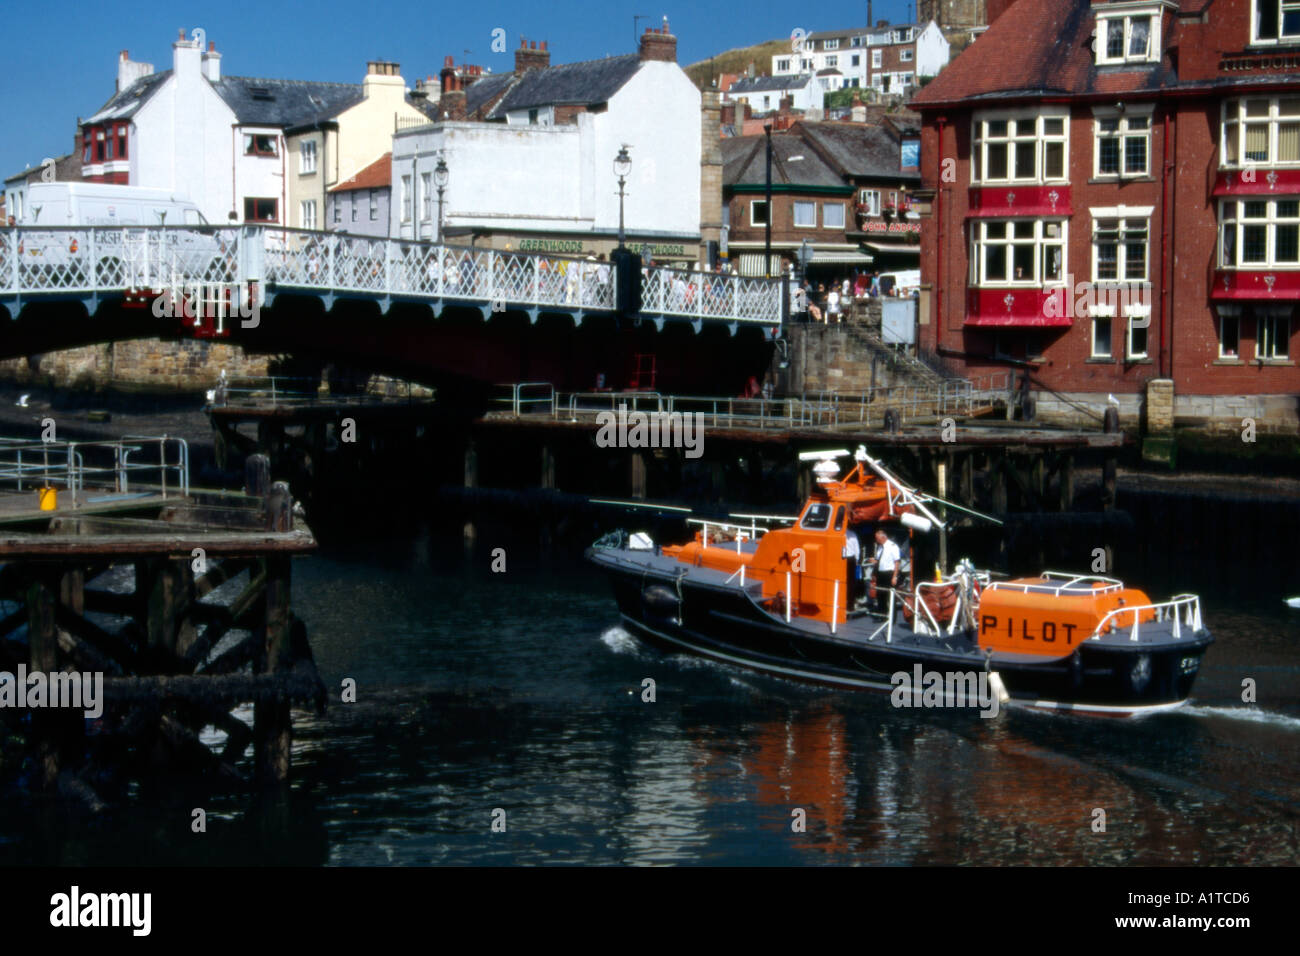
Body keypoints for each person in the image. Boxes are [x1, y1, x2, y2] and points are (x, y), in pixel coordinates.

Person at [865, 528, 901, 613]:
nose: (876, 540)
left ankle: (892, 616)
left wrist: (894, 577)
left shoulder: (893, 546)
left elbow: (897, 562)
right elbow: (879, 560)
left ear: (884, 537)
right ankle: (882, 613)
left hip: (889, 573)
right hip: (881, 573)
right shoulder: (880, 547)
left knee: (890, 596)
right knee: (880, 594)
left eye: (878, 539)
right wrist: (873, 560)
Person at [842, 526, 862, 609]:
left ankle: (844, 602)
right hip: (851, 559)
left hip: (843, 559)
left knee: (844, 582)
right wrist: (857, 560)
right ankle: (850, 604)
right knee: (851, 582)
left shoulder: (840, 534)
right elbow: (857, 549)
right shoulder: (853, 534)